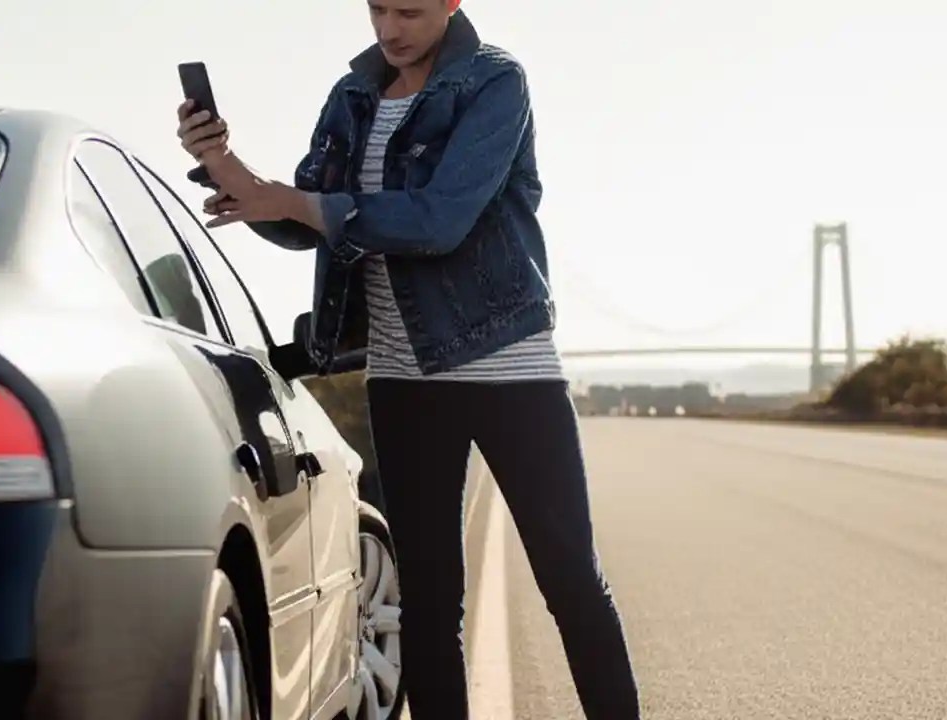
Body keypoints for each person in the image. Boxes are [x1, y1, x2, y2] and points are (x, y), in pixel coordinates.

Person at [176, 1, 641, 717]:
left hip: (507, 369)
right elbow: (306, 222)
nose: (391, 28)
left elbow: (439, 219)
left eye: (412, 11)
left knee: (570, 581)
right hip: (401, 376)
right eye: (378, 8)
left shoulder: (492, 84)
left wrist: (295, 202)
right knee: (428, 601)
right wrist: (223, 164)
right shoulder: (353, 96)